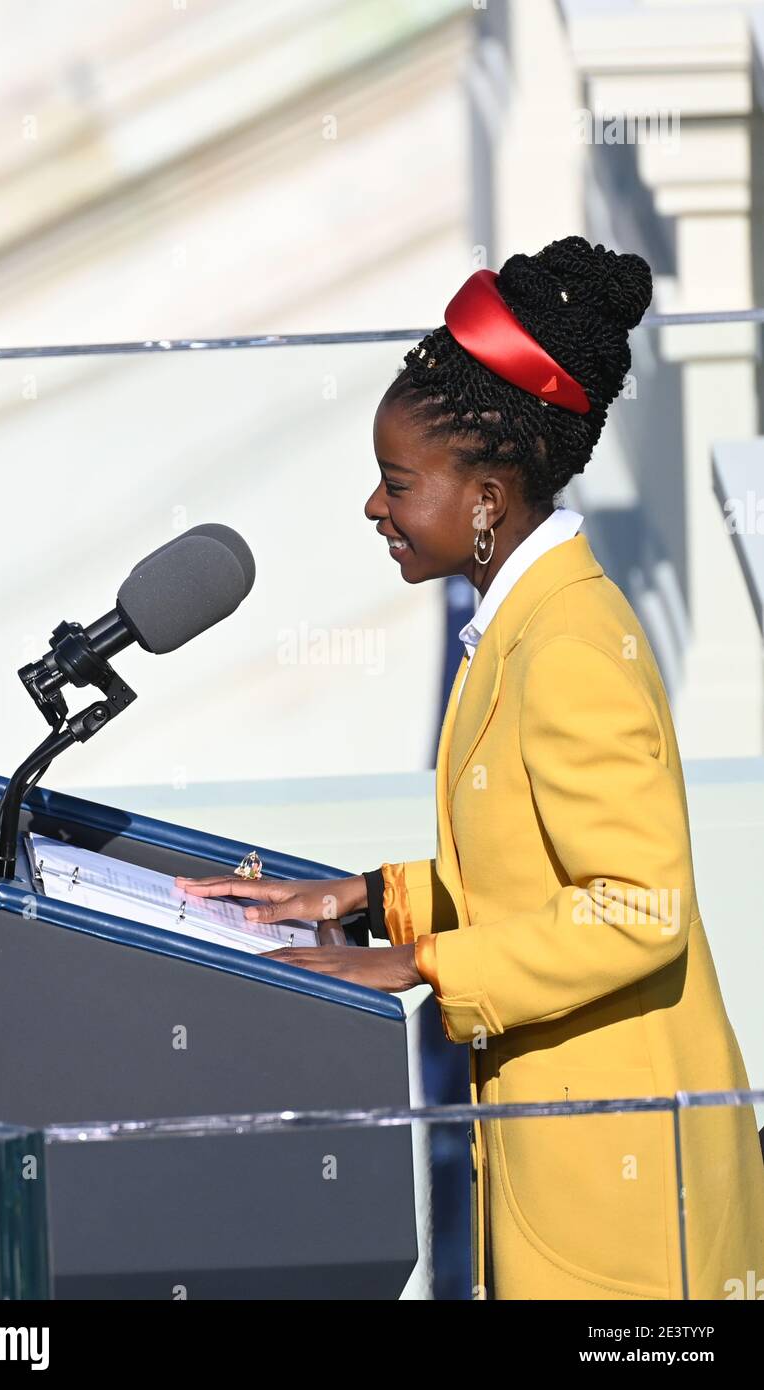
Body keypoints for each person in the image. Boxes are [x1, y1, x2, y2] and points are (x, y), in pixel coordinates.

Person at [176, 235, 764, 1300]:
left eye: (395, 483)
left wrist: (421, 965)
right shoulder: (525, 622)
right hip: (575, 1177)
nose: (373, 507)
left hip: (627, 1224)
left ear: (487, 496)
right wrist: (361, 899)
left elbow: (639, 906)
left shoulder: (569, 646)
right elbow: (531, 862)